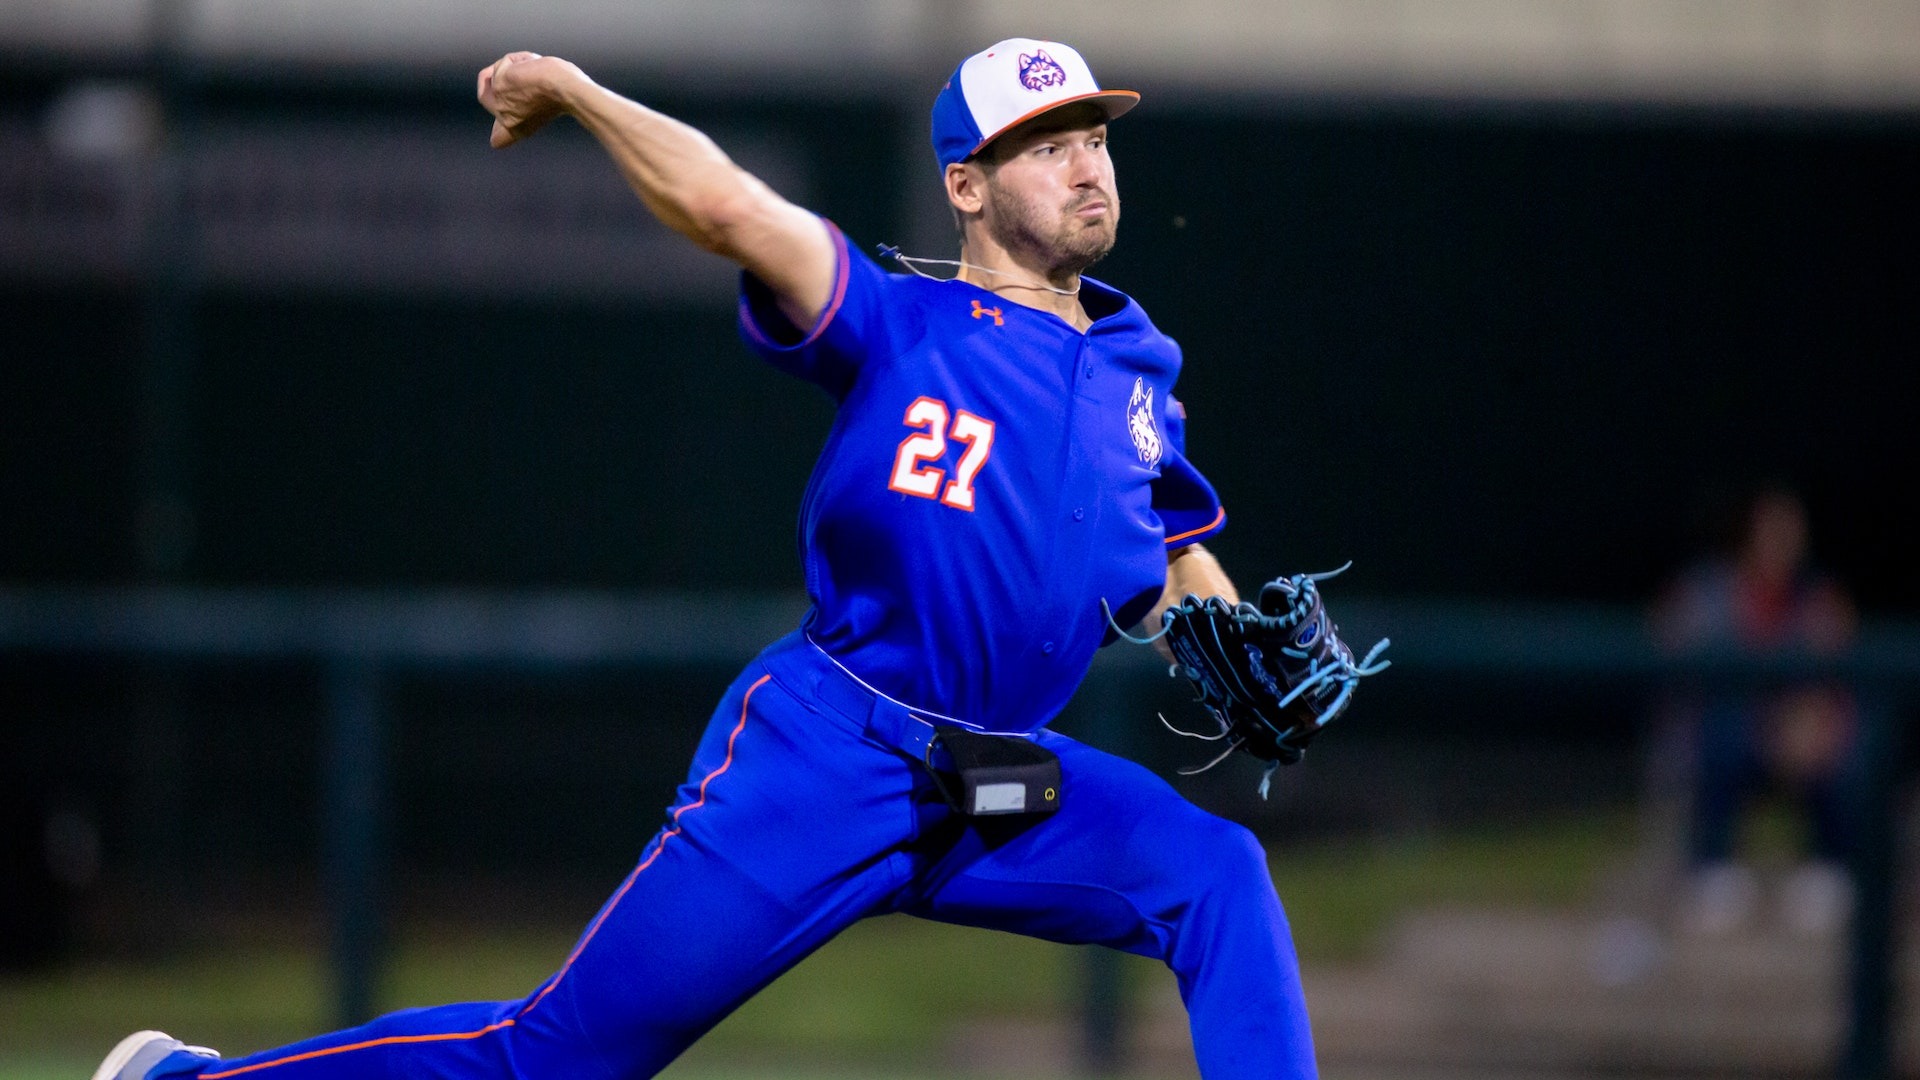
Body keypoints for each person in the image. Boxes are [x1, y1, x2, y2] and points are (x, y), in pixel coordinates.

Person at [95, 39, 1320, 1080]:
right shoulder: (902, 329)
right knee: (557, 1056)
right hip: (833, 756)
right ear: (965, 184)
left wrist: (1224, 631)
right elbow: (731, 208)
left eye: (1092, 135)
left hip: (995, 785)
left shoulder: (1138, 370)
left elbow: (1166, 544)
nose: (1085, 161)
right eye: (1044, 143)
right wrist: (579, 92)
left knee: (1216, 874)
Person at [1654, 485, 1861, 937]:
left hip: (1798, 739)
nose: (1783, 543)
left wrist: (1812, 717)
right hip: (1726, 736)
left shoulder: (1817, 597)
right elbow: (1670, 661)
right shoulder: (1707, 591)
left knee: (1845, 741)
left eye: (1792, 532)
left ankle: (1828, 868)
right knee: (1720, 731)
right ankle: (1713, 871)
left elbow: (1838, 675)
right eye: (1772, 531)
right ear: (1748, 535)